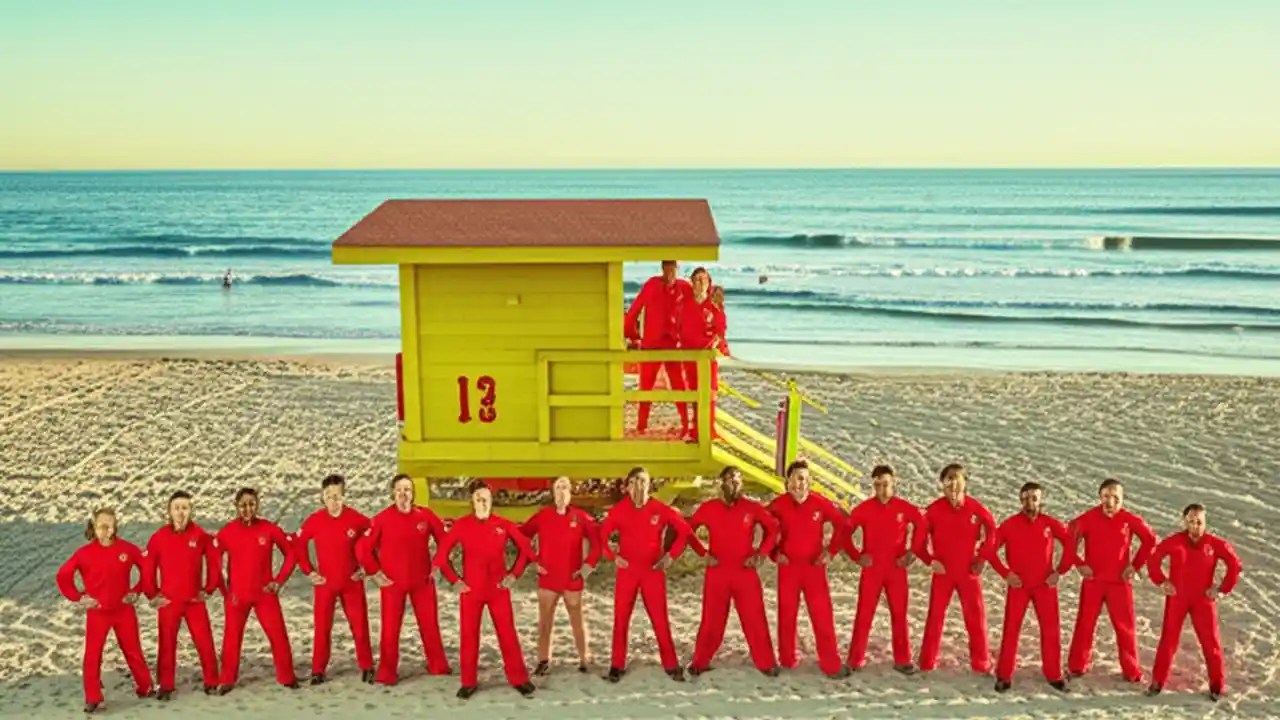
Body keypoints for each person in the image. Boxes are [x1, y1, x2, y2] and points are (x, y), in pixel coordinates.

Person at [435, 481, 537, 699]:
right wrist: (455, 580)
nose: (482, 502)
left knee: (508, 634)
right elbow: (442, 556)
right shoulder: (462, 525)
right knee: (469, 636)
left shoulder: (503, 524)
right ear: (472, 502)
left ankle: (519, 678)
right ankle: (468, 681)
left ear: (491, 501)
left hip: (498, 589)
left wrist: (514, 574)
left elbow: (527, 549)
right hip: (471, 591)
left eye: (486, 498)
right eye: (478, 498)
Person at [599, 466, 693, 682]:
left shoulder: (659, 508)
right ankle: (616, 665)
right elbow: (602, 537)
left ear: (649, 484)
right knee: (621, 619)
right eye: (635, 482)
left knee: (660, 619)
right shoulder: (619, 510)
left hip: (653, 572)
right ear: (628, 487)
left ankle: (670, 664)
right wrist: (614, 557)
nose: (640, 486)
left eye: (644, 481)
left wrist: (670, 556)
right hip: (628, 573)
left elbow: (684, 531)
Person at [57, 508, 155, 714]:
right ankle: (93, 697)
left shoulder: (127, 549)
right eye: (102, 525)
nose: (107, 530)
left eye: (111, 525)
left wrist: (137, 591)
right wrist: (79, 597)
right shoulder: (83, 553)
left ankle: (145, 687)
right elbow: (63, 576)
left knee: (133, 651)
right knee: (93, 655)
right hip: (98, 613)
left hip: (123, 610)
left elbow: (146, 565)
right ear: (93, 527)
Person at [357, 473, 452, 685]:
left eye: (407, 490)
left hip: (422, 582)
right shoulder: (381, 519)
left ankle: (438, 665)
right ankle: (387, 672)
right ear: (393, 493)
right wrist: (376, 574)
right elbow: (363, 549)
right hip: (393, 584)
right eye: (399, 490)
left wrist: (437, 564)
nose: (403, 494)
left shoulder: (425, 516)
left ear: (413, 493)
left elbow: (445, 540)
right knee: (390, 629)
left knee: (430, 625)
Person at [686, 466, 780, 677]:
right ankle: (699, 663)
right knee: (711, 621)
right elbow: (688, 529)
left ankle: (766, 664)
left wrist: (761, 554)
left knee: (755, 619)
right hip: (717, 572)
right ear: (722, 484)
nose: (734, 484)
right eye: (729, 480)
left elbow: (773, 528)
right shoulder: (709, 508)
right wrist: (703, 553)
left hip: (744, 572)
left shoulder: (752, 508)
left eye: (737, 480)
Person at [1145, 504, 1241, 702]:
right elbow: (1153, 559)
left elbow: (1234, 564)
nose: (1195, 525)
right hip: (1177, 598)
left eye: (1199, 522)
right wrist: (1161, 581)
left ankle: (1216, 685)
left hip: (1203, 600)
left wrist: (1221, 590)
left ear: (1205, 523)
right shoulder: (1175, 541)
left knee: (1211, 643)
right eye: (1191, 521)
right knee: (1168, 641)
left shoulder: (1214, 544)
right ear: (1185, 521)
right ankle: (1157, 682)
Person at [1065, 478, 1157, 684]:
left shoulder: (1128, 519)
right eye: (1106, 496)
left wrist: (1135, 565)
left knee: (1125, 628)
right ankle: (1077, 666)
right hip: (1093, 582)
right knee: (1085, 624)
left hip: (1119, 583)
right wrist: (1079, 563)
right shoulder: (1088, 518)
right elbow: (1068, 538)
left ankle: (1131, 671)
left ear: (1122, 499)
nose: (1110, 502)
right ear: (1100, 497)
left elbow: (1150, 540)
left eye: (1116, 497)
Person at [836, 464, 923, 675]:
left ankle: (902, 659)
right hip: (872, 570)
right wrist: (857, 556)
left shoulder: (903, 507)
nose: (882, 490)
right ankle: (855, 659)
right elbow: (845, 533)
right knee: (864, 614)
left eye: (886, 485)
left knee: (899, 614)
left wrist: (912, 553)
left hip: (896, 569)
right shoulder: (864, 509)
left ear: (894, 484)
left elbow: (922, 524)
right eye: (877, 485)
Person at [988, 482, 1073, 693]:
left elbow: (1070, 545)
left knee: (1051, 630)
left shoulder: (1050, 524)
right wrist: (1006, 573)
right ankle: (1004, 675)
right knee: (1011, 630)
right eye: (1025, 498)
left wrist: (1059, 571)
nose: (1030, 503)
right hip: (1019, 586)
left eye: (1034, 498)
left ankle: (1054, 674)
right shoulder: (1009, 525)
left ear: (1041, 500)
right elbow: (990, 550)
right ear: (1020, 500)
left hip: (1045, 585)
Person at [212, 487, 299, 693]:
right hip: (237, 596)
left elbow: (291, 554)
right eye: (243, 505)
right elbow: (213, 558)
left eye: (252, 504)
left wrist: (279, 581)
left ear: (257, 505)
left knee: (278, 636)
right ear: (236, 506)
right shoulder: (228, 531)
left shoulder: (268, 529)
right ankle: (226, 679)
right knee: (232, 639)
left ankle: (287, 677)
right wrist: (224, 589)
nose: (248, 508)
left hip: (264, 594)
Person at [766, 459, 848, 678]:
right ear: (787, 483)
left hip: (814, 568)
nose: (799, 484)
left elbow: (842, 525)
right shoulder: (778, 505)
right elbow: (763, 529)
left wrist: (830, 552)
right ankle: (787, 659)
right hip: (789, 568)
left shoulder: (820, 503)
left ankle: (831, 664)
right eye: (794, 480)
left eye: (803, 479)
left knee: (822, 615)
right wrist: (773, 553)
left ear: (809, 482)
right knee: (787, 615)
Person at [915, 463, 996, 674]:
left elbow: (992, 533)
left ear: (965, 483)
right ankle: (927, 662)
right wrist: (929, 560)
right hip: (943, 573)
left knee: (975, 618)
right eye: (948, 479)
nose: (953, 483)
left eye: (957, 478)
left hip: (968, 572)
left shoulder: (976, 509)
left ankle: (981, 663)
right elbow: (918, 542)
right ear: (942, 484)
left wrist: (982, 559)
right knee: (935, 618)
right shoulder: (933, 510)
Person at [294, 474, 374, 685]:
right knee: (322, 628)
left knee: (359, 626)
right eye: (329, 496)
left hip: (351, 582)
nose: (333, 500)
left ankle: (367, 666)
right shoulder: (315, 520)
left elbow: (375, 537)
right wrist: (308, 570)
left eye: (337, 496)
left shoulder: (356, 519)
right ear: (323, 498)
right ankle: (318, 670)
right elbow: (298, 544)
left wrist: (368, 568)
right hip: (325, 583)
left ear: (343, 496)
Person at [520, 476, 601, 675]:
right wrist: (534, 559)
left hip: (572, 577)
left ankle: (584, 658)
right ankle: (543, 660)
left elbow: (597, 543)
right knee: (545, 622)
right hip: (548, 578)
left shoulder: (581, 517)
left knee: (577, 620)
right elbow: (521, 535)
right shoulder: (543, 516)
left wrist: (587, 566)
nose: (562, 492)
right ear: (553, 492)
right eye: (558, 488)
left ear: (570, 492)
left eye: (565, 487)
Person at [143, 491, 220, 700]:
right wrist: (152, 594)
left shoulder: (200, 535)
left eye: (185, 507)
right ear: (169, 511)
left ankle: (212, 681)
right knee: (166, 644)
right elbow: (148, 567)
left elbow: (214, 561)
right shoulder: (159, 537)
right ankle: (166, 685)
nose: (181, 512)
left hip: (194, 601)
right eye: (177, 507)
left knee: (204, 641)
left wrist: (209, 588)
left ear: (191, 510)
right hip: (169, 601)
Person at [624, 260, 692, 435]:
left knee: (679, 386)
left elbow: (699, 305)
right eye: (667, 268)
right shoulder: (651, 285)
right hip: (652, 344)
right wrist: (633, 336)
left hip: (673, 345)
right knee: (646, 387)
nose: (670, 272)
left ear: (677, 269)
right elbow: (634, 311)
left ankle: (685, 424)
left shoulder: (684, 288)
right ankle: (641, 426)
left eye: (673, 268)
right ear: (662, 268)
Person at [679, 267, 726, 441]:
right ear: (692, 282)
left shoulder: (713, 304)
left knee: (710, 393)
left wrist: (715, 343)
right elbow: (680, 326)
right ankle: (697, 428)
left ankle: (709, 429)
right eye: (697, 280)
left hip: (706, 355)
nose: (700, 283)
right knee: (694, 393)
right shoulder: (685, 303)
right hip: (690, 354)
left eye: (704, 280)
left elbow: (720, 328)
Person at [710, 286, 730, 356]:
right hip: (714, 343)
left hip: (722, 343)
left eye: (722, 294)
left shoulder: (721, 310)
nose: (721, 297)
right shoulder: (710, 309)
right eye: (718, 295)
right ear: (713, 295)